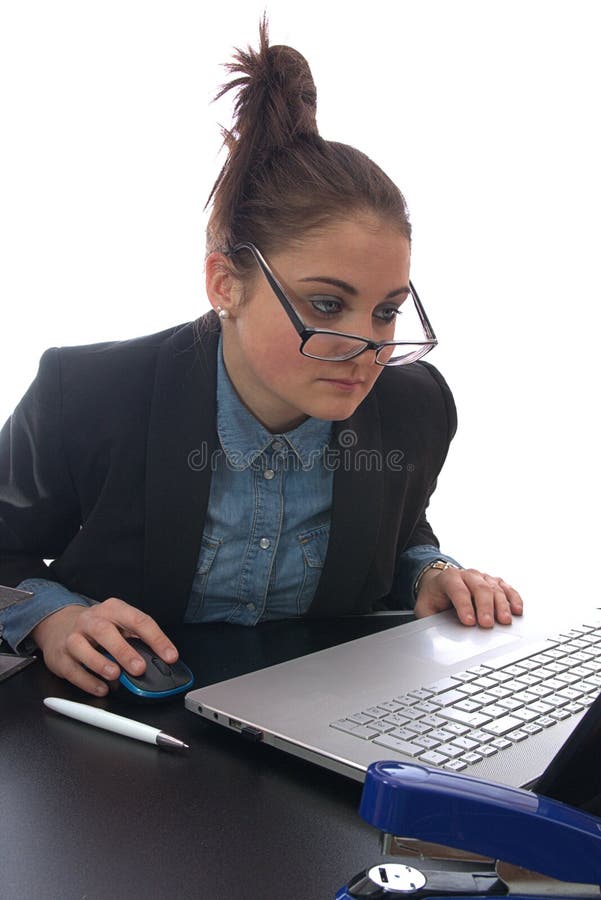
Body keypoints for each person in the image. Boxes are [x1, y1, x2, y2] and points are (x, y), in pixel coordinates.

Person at [0, 18, 522, 696]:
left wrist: (430, 572)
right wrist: (51, 616)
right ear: (225, 284)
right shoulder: (89, 393)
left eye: (388, 309)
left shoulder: (414, 406)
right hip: (116, 737)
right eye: (327, 305)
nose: (369, 349)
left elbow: (396, 531)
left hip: (316, 729)